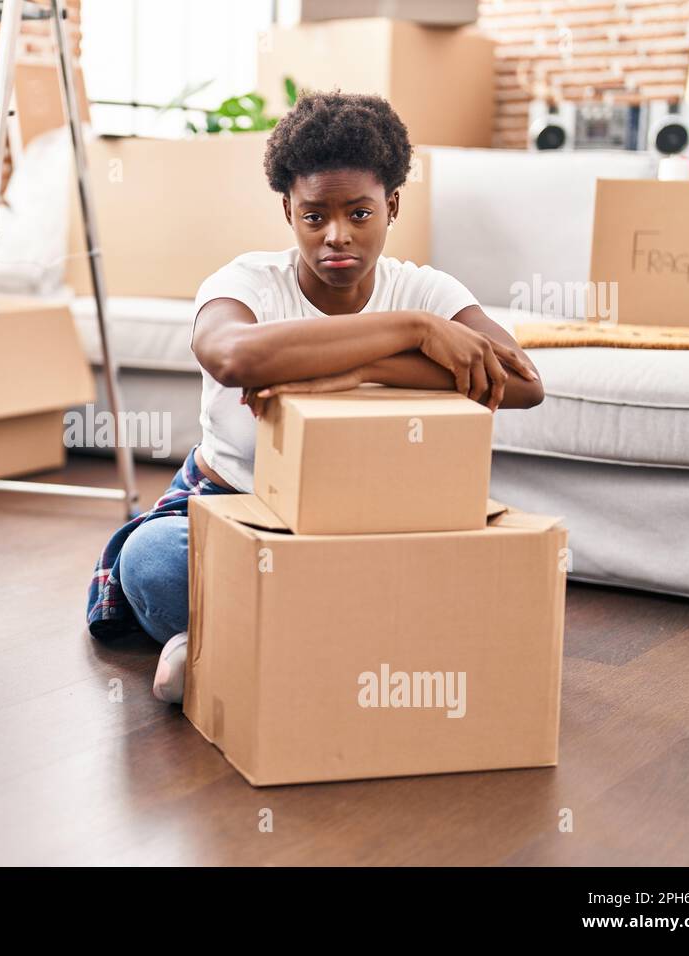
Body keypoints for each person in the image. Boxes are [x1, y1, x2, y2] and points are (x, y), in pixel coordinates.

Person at [86, 90, 544, 705]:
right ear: (287, 211)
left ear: (392, 206)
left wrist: (358, 370)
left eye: (359, 214)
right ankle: (336, 650)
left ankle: (227, 648)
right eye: (314, 216)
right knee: (152, 560)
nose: (337, 237)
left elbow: (521, 383)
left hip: (363, 529)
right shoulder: (247, 283)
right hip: (237, 509)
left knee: (474, 570)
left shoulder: (427, 289)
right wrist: (415, 334)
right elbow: (232, 355)